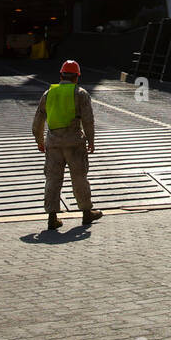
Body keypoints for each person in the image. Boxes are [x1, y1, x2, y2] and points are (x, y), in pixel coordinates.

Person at [33, 59, 102, 230]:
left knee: (53, 179)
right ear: (77, 77)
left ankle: (52, 217)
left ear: (61, 75)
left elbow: (37, 122)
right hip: (74, 143)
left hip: (53, 143)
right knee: (79, 178)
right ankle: (86, 213)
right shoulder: (81, 94)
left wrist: (40, 141)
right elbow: (88, 121)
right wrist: (91, 141)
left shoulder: (48, 93)